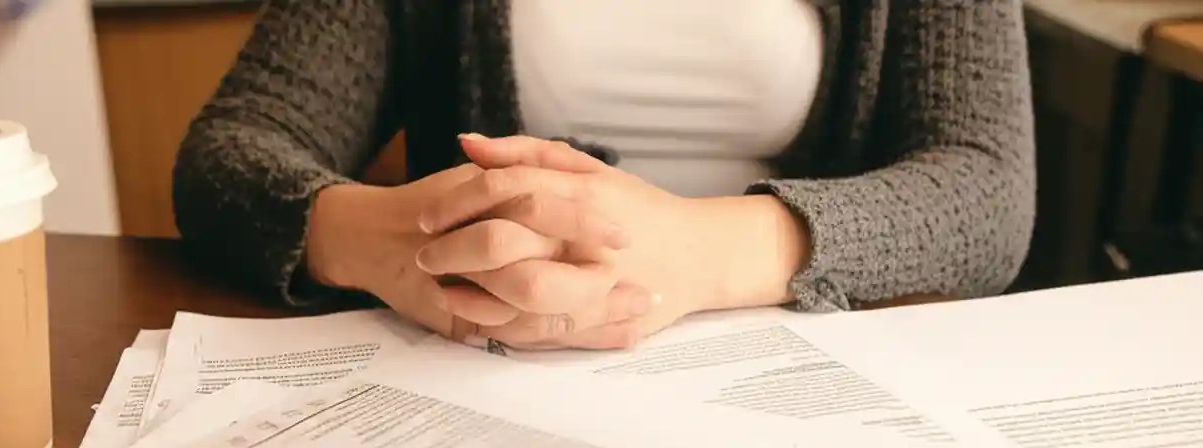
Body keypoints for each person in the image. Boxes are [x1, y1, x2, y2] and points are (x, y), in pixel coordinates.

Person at [173, 0, 1035, 350]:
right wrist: (384, 241)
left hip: (810, 371)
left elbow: (986, 186)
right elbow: (234, 146)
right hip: (484, 363)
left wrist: (694, 255)